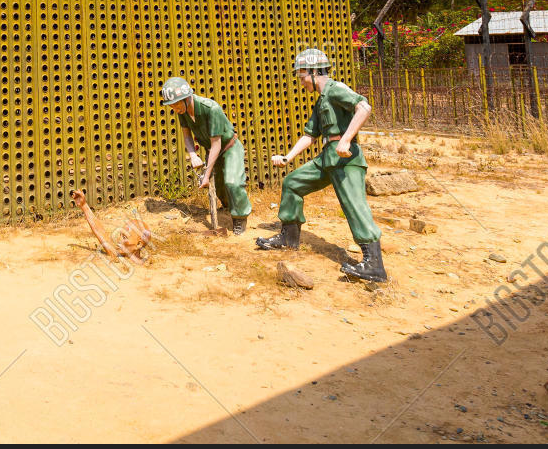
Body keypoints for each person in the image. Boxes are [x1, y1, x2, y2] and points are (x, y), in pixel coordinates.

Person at [255, 48, 386, 283]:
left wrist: (346, 139)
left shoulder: (336, 89)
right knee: (293, 182)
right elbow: (310, 135)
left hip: (346, 159)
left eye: (302, 75)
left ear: (315, 72)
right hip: (327, 158)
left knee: (354, 205)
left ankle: (373, 264)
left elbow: (364, 107)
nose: (301, 81)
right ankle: (289, 238)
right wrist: (288, 157)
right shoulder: (321, 100)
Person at [160, 77, 250, 235]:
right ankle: (229, 206)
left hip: (229, 146)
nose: (174, 108)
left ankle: (240, 217)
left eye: (176, 103)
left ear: (186, 98)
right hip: (212, 149)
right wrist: (193, 155)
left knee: (233, 182)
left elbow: (217, 143)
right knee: (221, 188)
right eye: (171, 105)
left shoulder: (211, 108)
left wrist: (206, 175)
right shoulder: (182, 111)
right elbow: (187, 135)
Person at [71, 187, 154, 259]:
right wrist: (84, 206)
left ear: (139, 244)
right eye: (121, 235)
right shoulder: (118, 255)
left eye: (124, 237)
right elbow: (100, 232)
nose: (119, 240)